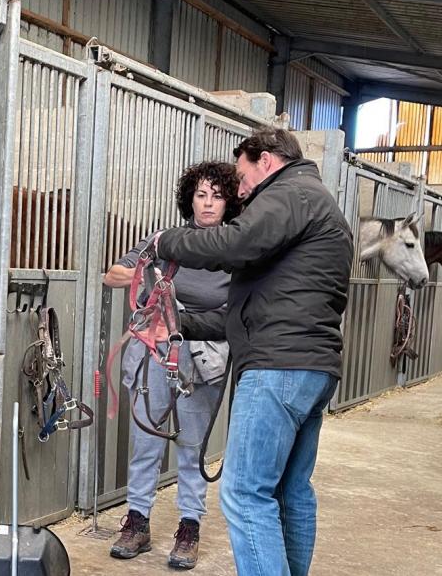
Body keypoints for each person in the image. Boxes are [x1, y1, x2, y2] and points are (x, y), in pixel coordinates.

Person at [148, 127, 354, 576]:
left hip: (278, 367)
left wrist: (165, 242)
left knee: (243, 493)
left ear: (266, 161)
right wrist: (179, 326)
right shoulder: (316, 205)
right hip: (310, 367)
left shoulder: (290, 195)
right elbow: (253, 309)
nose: (239, 192)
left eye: (241, 178)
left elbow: (233, 242)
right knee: (290, 490)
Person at [106, 161, 242, 570]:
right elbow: (112, 275)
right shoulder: (167, 240)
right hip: (155, 349)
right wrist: (142, 273)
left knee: (191, 445)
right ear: (189, 198)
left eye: (217, 196)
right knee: (145, 439)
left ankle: (189, 527)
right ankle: (138, 520)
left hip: (203, 354)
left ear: (230, 202)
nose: (208, 203)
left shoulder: (236, 249)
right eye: (201, 195)